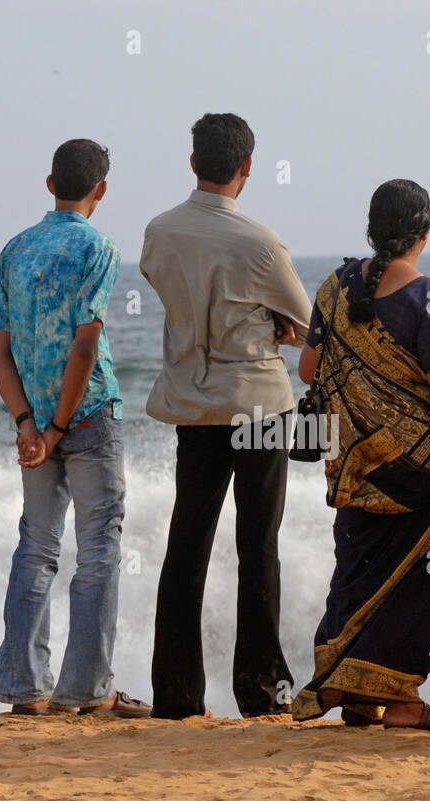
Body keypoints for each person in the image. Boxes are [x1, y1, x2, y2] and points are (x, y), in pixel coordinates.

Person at [141, 113, 313, 720]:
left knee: (187, 544)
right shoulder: (261, 243)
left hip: (195, 400)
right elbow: (308, 322)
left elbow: (177, 294)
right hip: (258, 402)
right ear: (247, 167)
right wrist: (279, 327)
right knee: (257, 546)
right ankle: (261, 692)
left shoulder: (159, 231)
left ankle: (177, 694)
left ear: (192, 163)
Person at [291, 179, 430, 730]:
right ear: (424, 233)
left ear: (373, 229)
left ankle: (354, 695)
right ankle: (398, 701)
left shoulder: (334, 287)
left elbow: (307, 369)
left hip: (355, 466)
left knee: (358, 574)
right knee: (423, 583)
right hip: (419, 474)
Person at [0, 139, 149, 718]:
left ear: (49, 183)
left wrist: (28, 422)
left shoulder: (16, 249)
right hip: (89, 413)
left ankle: (24, 687)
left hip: (35, 421)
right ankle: (86, 689)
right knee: (99, 546)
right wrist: (56, 425)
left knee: (36, 544)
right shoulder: (98, 247)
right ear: (100, 190)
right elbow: (85, 345)